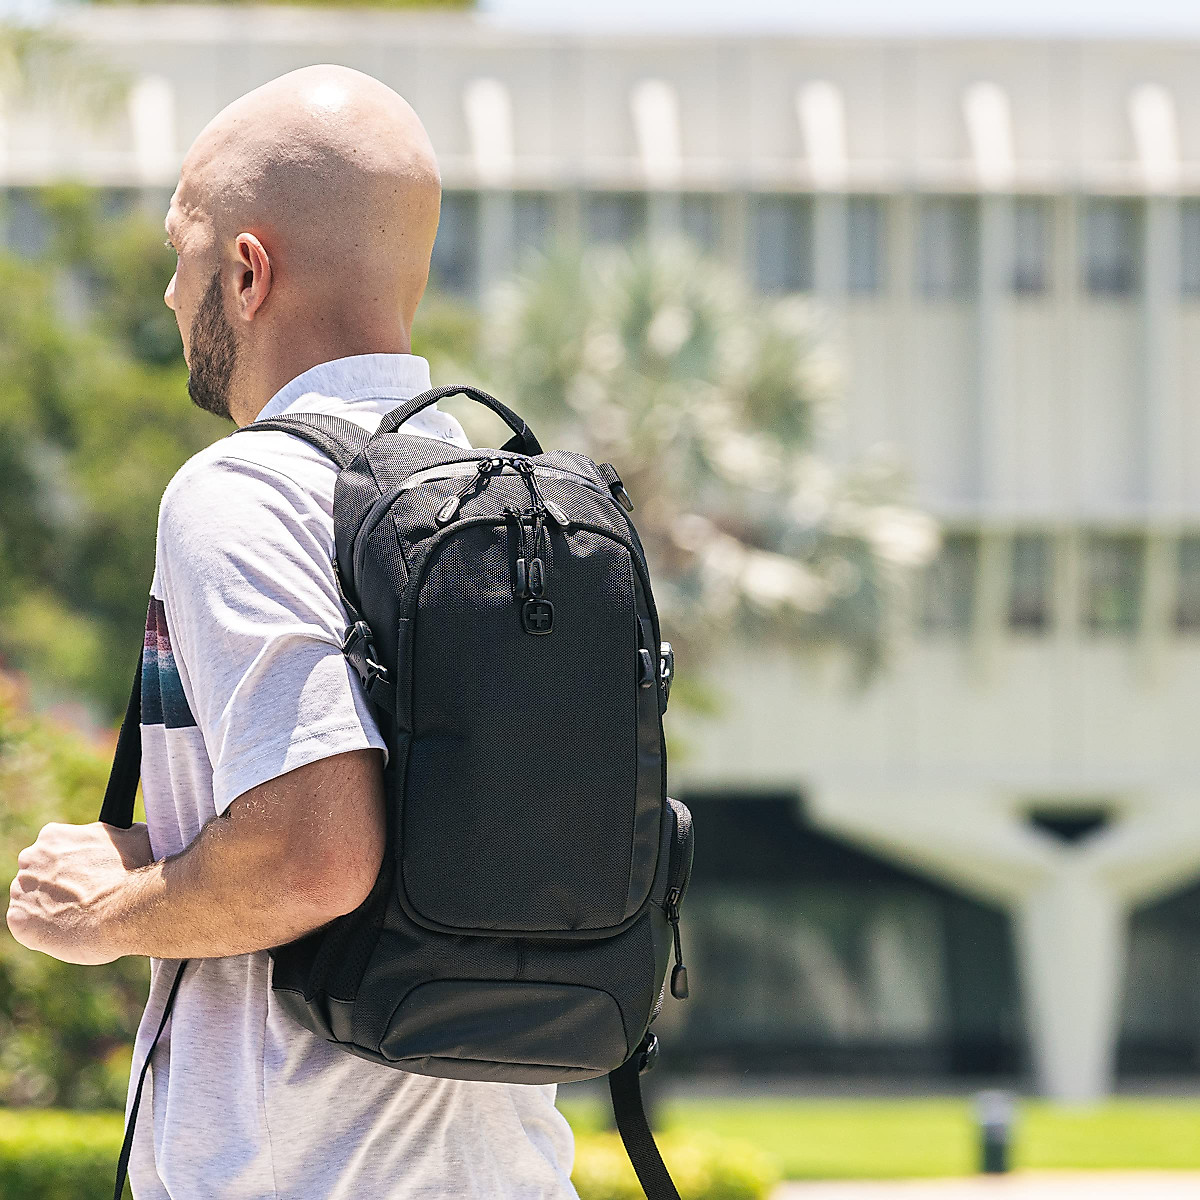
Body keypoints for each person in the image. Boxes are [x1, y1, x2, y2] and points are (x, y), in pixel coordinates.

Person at [6, 65, 578, 1199]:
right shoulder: (504, 496)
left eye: (184, 254)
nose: (173, 296)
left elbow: (317, 853)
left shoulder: (246, 492)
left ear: (249, 270)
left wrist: (105, 910)